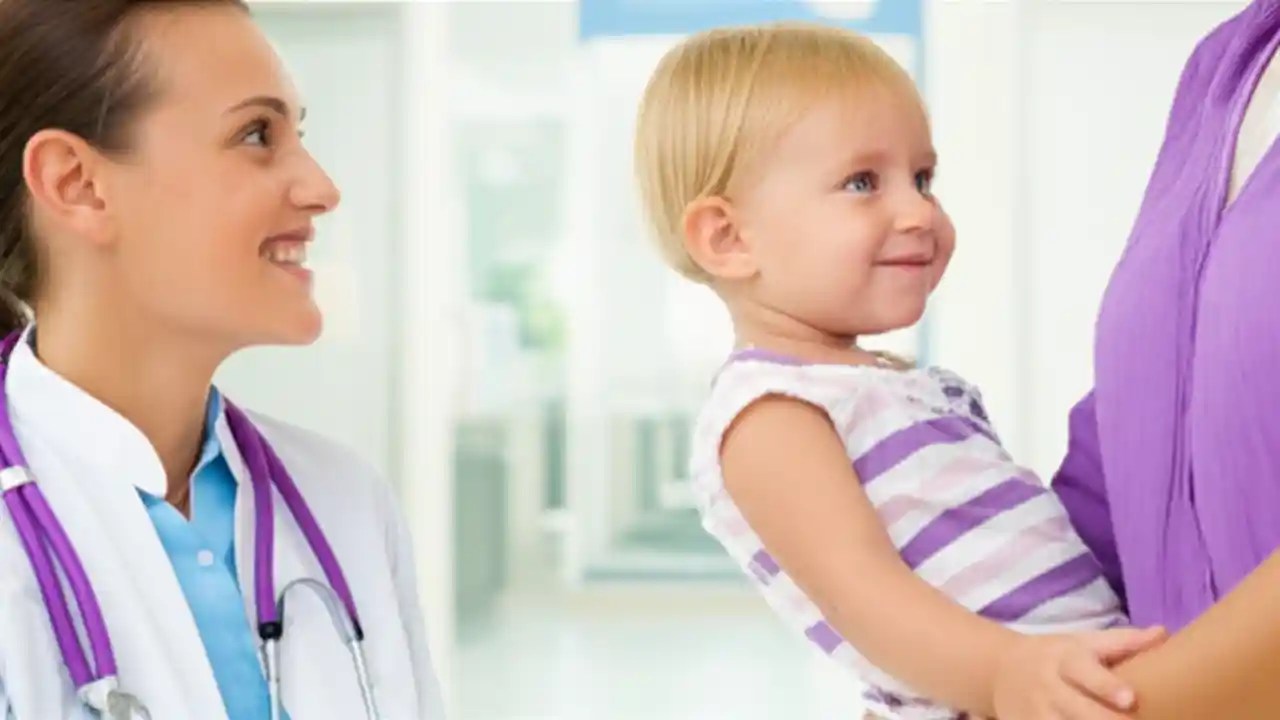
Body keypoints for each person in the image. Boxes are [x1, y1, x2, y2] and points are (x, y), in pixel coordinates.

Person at [634, 22, 1164, 720]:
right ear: (730, 238)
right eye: (862, 182)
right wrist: (1005, 671)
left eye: (922, 177)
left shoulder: (895, 387)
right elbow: (867, 596)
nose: (918, 211)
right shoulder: (771, 414)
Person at [0, 1, 444, 718]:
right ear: (76, 183)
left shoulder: (345, 502)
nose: (322, 188)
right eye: (256, 134)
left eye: (297, 134)